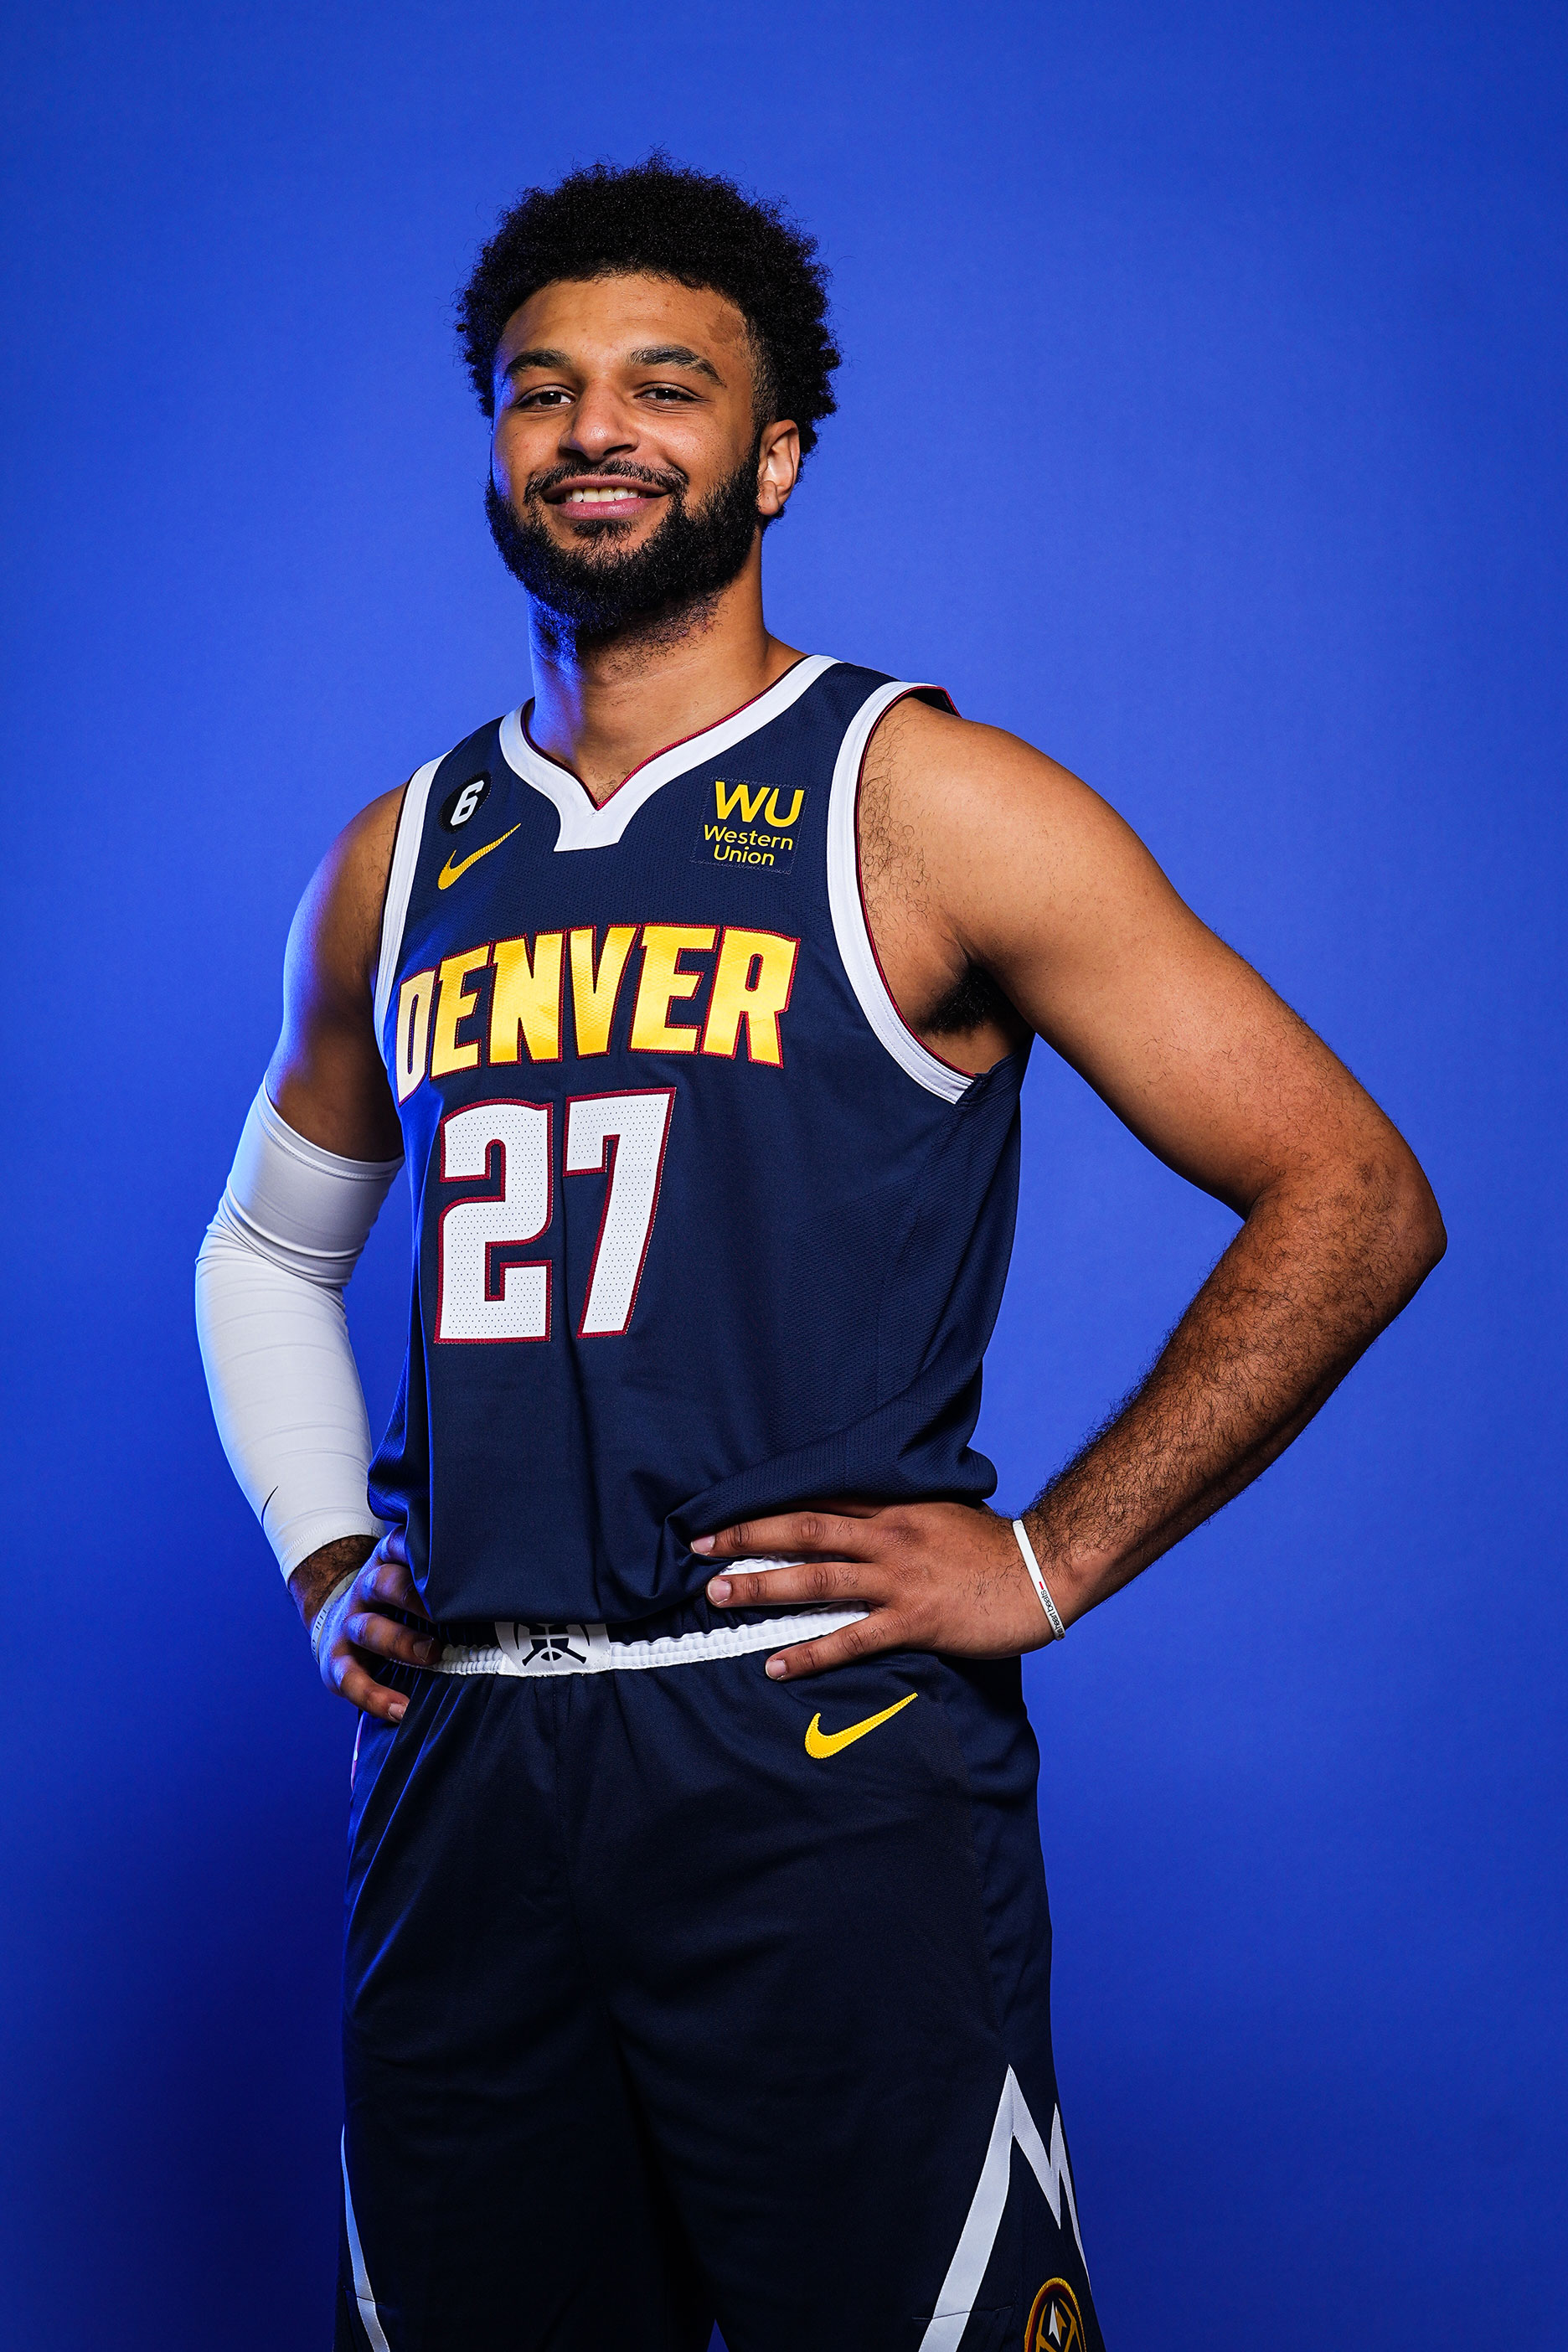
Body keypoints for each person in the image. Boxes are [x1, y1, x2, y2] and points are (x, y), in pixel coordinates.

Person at [195, 157, 1444, 2352]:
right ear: (494, 442)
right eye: (539, 388)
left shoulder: (926, 800)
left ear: (770, 457)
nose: (597, 429)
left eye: (665, 387)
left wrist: (1046, 1559)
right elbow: (263, 1252)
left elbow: (1350, 1190)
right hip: (470, 1771)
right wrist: (322, 1555)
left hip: (810, 1763)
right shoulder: (403, 855)